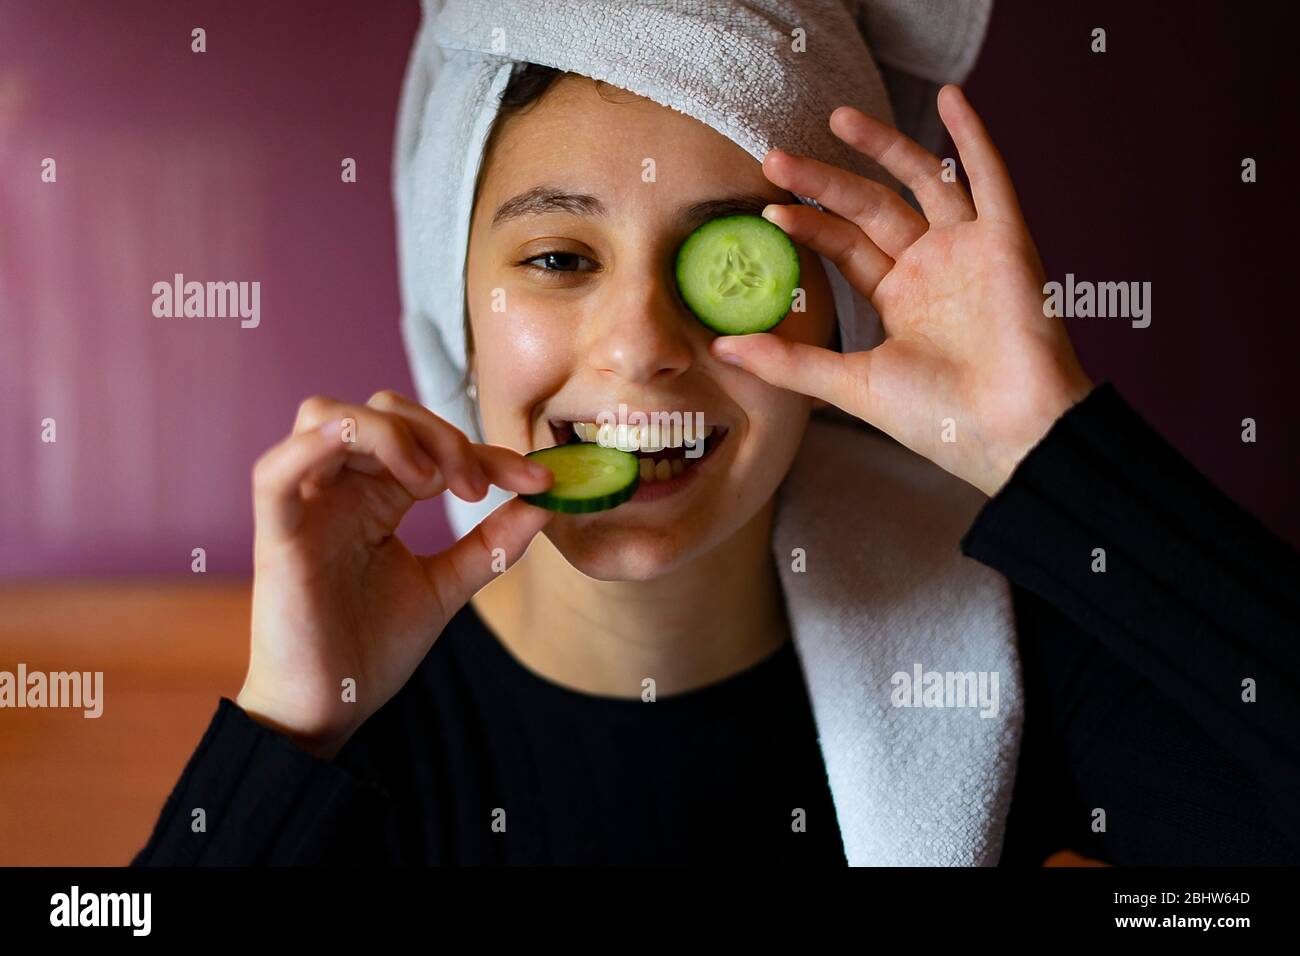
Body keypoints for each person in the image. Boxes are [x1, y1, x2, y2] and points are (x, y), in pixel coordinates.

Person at [130, 57, 1299, 865]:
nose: (640, 343)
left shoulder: (999, 669)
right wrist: (286, 728)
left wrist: (1049, 439)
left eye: (720, 256)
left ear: (829, 311)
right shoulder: (344, 754)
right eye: (556, 256)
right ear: (455, 311)